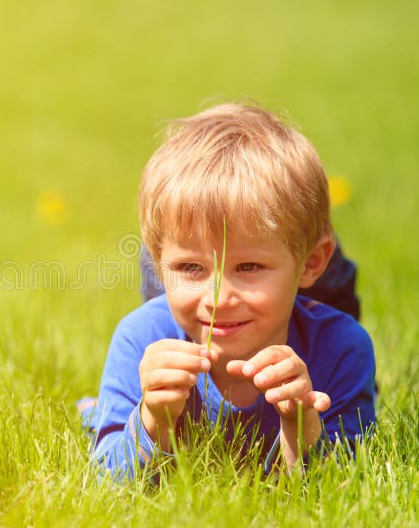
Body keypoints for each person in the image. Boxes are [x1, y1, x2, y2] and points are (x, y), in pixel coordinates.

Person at [83, 103, 377, 481]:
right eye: (191, 267)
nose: (218, 298)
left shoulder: (340, 349)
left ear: (310, 263)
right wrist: (152, 420)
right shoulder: (142, 341)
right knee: (105, 417)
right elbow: (107, 485)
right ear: (158, 264)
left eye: (249, 267)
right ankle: (95, 410)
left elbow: (344, 494)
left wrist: (301, 429)